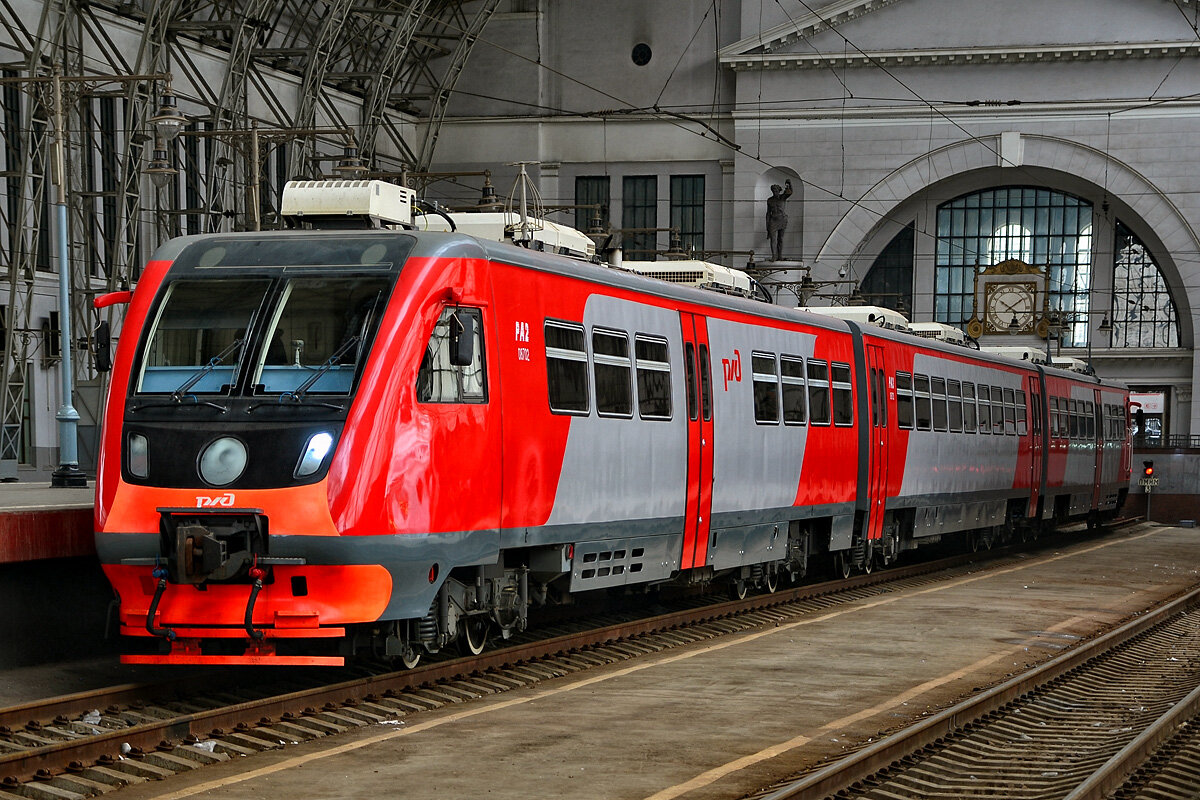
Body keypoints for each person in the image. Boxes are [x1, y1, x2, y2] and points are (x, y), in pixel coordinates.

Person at [766, 179, 793, 261]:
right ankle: (774, 256)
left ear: (778, 190)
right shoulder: (770, 200)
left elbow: (790, 192)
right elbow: (768, 213)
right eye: (773, 190)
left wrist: (789, 184)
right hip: (773, 220)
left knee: (780, 239)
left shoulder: (782, 197)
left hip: (782, 219)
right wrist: (767, 226)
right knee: (773, 239)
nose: (774, 192)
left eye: (776, 190)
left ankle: (780, 256)